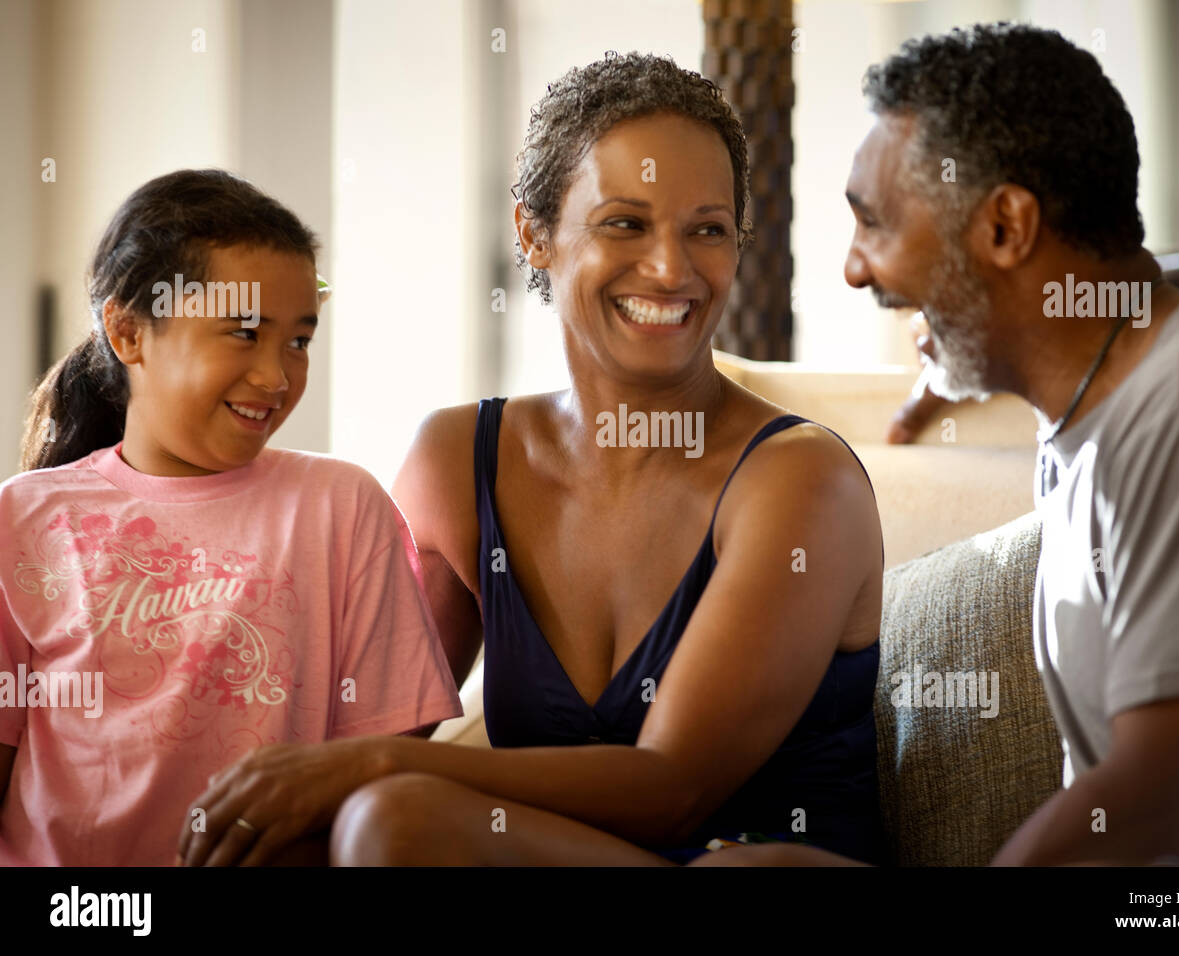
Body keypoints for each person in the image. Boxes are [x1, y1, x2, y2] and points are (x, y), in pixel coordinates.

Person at [176, 52, 888, 867]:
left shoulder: (799, 479)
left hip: (760, 861)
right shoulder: (457, 460)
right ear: (533, 232)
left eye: (708, 230)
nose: (671, 268)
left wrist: (374, 765)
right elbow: (354, 736)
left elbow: (671, 789)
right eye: (626, 222)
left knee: (394, 820)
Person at [715, 21, 1179, 866]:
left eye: (875, 224)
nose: (853, 268)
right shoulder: (1100, 405)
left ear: (1005, 229)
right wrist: (969, 341)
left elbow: (1160, 791)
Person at [0, 170, 463, 866]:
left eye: (299, 341)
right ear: (129, 331)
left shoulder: (342, 506)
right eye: (243, 334)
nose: (277, 377)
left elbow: (383, 762)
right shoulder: (24, 518)